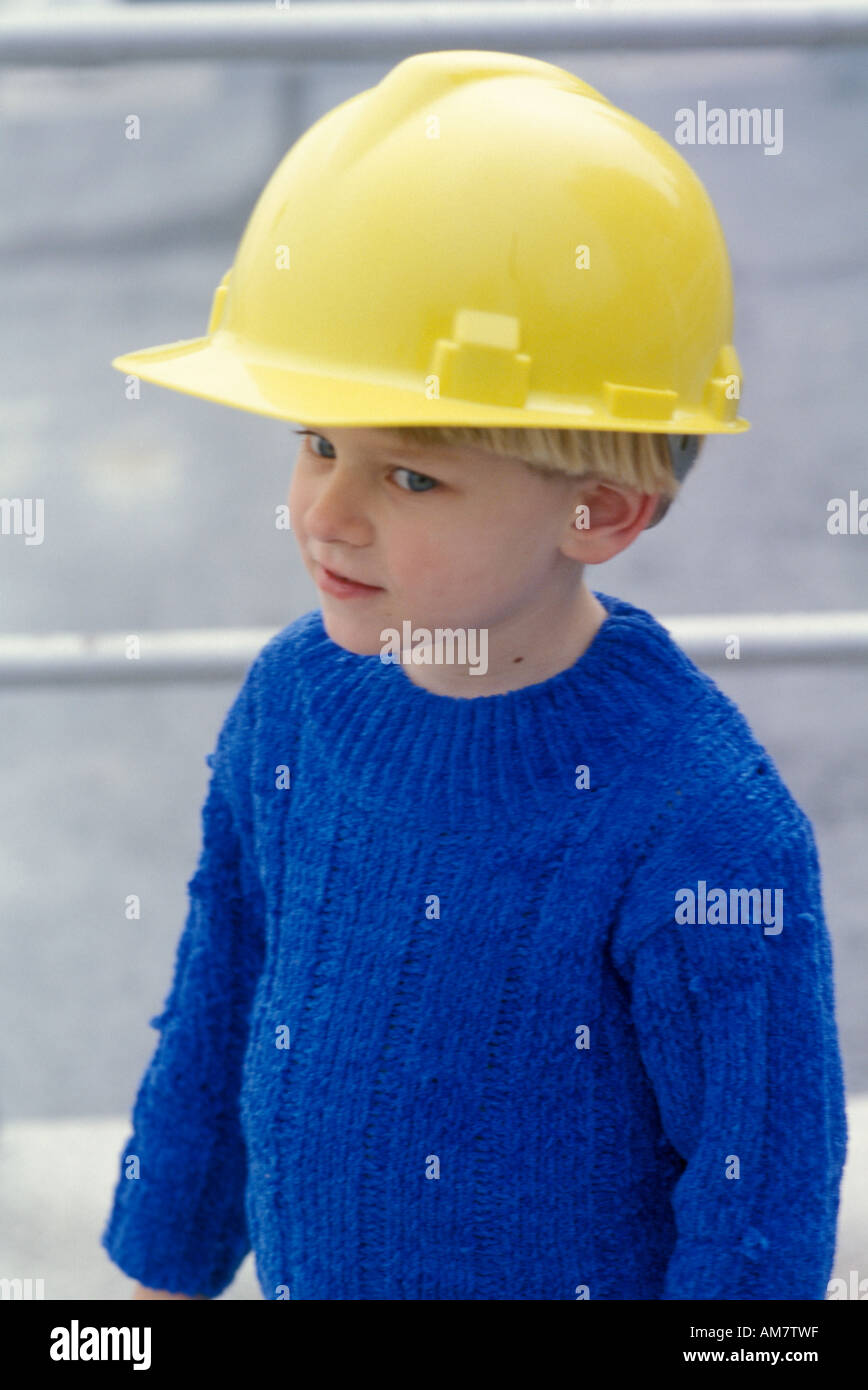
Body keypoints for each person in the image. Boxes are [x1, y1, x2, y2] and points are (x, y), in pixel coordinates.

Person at [101, 51, 847, 1300]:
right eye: (316, 442)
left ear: (601, 511)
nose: (325, 515)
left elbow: (756, 1204)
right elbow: (219, 1010)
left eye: (409, 477)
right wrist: (152, 1288)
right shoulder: (291, 705)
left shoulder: (702, 826)